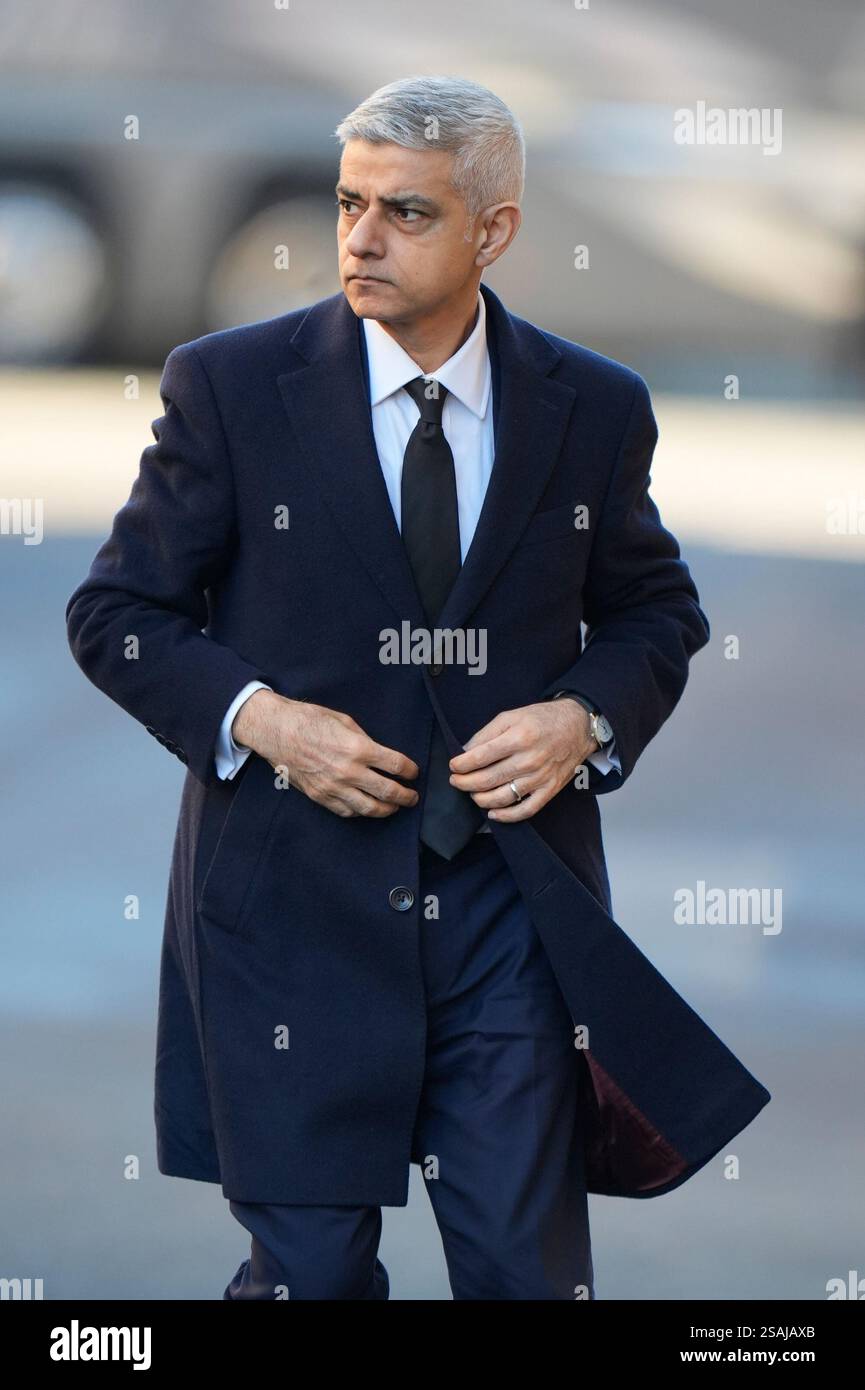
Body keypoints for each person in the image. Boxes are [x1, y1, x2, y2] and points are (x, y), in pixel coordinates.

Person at [66, 74, 770, 1300]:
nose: (359, 238)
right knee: (312, 1278)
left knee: (523, 1277)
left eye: (406, 212)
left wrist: (582, 716)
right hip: (290, 922)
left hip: (508, 915)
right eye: (347, 205)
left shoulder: (592, 408)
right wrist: (265, 722)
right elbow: (117, 615)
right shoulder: (230, 388)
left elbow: (657, 611)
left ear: (493, 232)